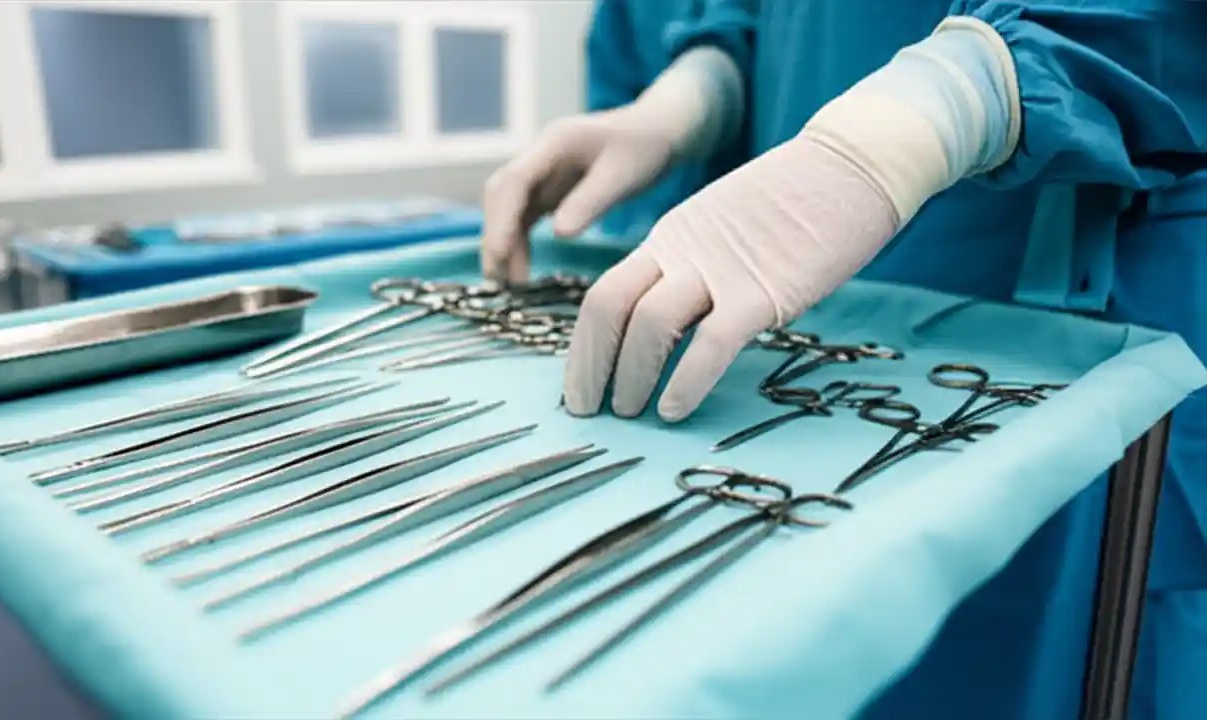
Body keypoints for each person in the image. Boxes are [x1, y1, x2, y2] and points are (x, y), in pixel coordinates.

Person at [481, 1, 1207, 718]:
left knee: (1057, 648)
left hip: (1070, 311)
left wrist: (947, 103)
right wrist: (695, 97)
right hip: (813, 322)